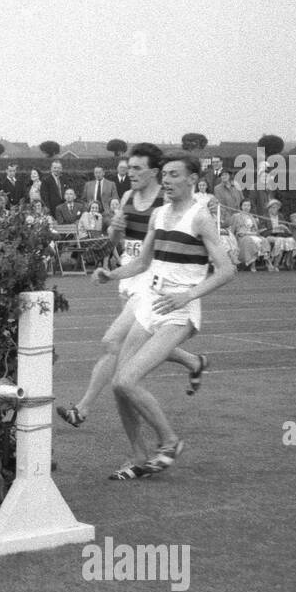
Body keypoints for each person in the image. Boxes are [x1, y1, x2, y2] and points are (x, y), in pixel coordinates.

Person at [93, 153, 236, 478]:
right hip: (150, 304)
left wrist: (187, 294)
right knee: (119, 385)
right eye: (166, 175)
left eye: (174, 175)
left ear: (192, 180)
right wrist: (111, 275)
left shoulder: (200, 218)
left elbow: (227, 270)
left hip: (179, 312)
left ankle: (169, 441)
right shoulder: (158, 214)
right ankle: (139, 456)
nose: (168, 181)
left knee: (128, 379)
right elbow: (143, 263)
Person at [54, 143, 207, 431]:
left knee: (113, 342)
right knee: (133, 343)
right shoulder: (126, 195)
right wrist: (115, 227)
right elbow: (113, 241)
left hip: (150, 278)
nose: (128, 172)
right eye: (128, 167)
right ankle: (193, 362)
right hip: (128, 275)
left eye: (136, 168)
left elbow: (172, 242)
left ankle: (83, 408)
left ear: (154, 172)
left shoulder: (166, 201)